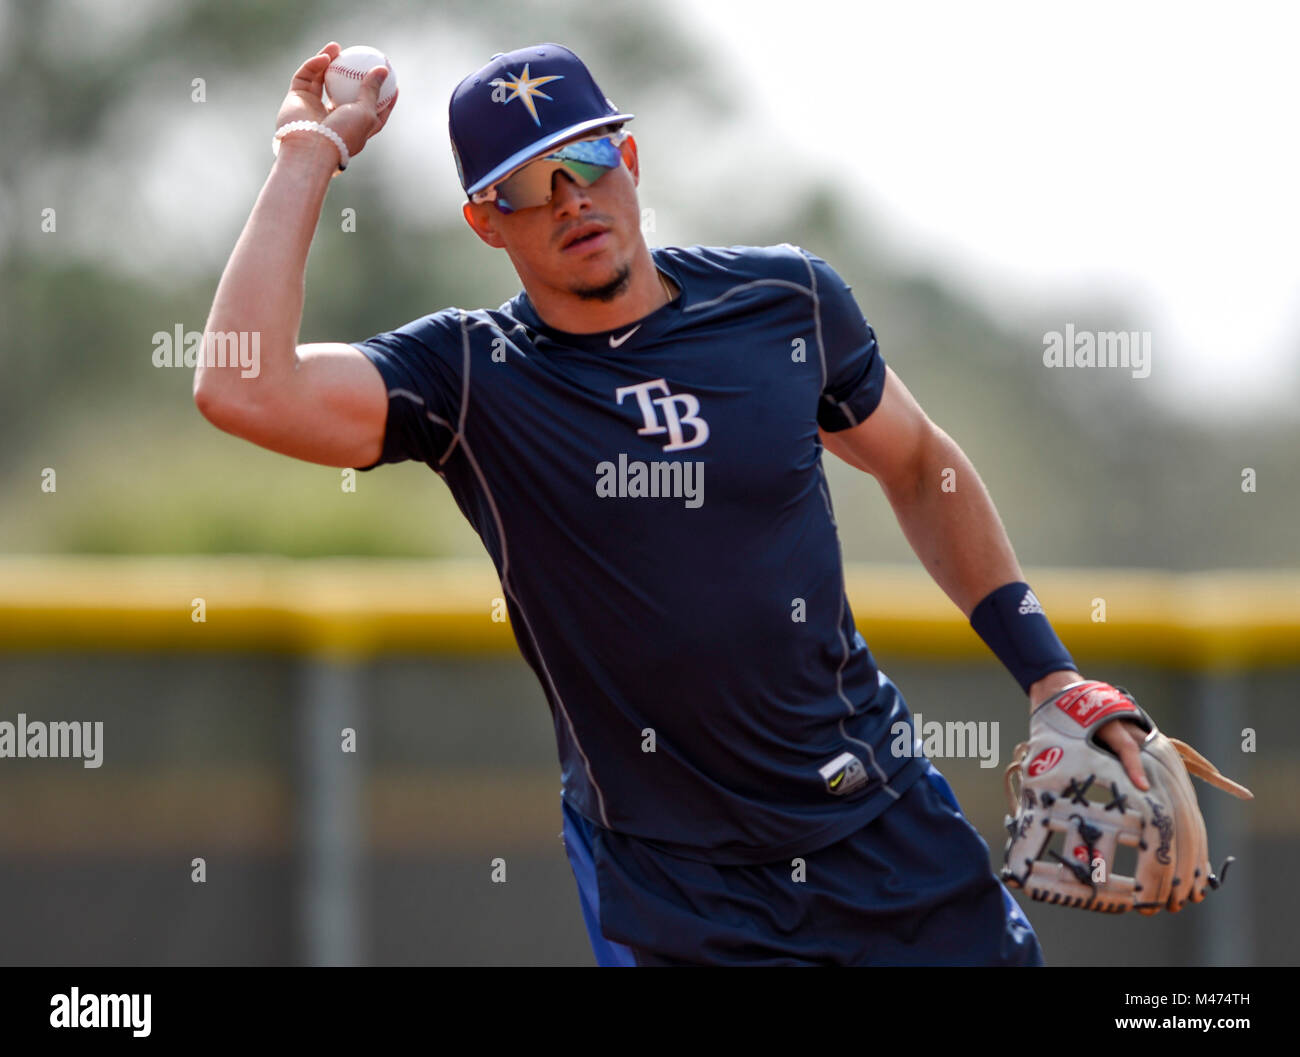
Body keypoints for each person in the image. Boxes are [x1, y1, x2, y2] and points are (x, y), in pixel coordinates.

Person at [195, 41, 1154, 966]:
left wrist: (1051, 674)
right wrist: (307, 151)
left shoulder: (783, 303)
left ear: (632, 158)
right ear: (487, 222)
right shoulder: (469, 376)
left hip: (880, 820)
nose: (572, 199)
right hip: (679, 887)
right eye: (530, 185)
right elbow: (243, 386)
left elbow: (918, 465)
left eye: (588, 157)